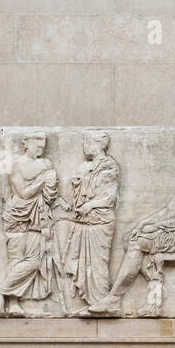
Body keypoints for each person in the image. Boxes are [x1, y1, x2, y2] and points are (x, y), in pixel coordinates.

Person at [87, 136, 175, 316]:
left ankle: (114, 298)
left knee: (138, 242)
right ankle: (154, 296)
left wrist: (159, 228)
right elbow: (169, 209)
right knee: (130, 237)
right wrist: (144, 223)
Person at [0, 132, 62, 316]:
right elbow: (23, 192)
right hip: (17, 214)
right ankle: (13, 303)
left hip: (38, 215)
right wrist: (42, 180)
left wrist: (51, 186)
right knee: (17, 258)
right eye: (36, 142)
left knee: (33, 261)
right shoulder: (15, 163)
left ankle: (0, 291)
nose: (41, 146)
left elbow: (48, 195)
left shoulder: (46, 164)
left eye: (43, 143)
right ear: (25, 143)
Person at [60, 132, 121, 313]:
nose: (85, 146)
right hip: (84, 220)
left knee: (98, 264)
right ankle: (90, 302)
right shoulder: (86, 166)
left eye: (88, 142)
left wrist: (90, 205)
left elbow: (110, 198)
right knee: (84, 263)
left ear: (100, 144)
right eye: (84, 142)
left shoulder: (109, 166)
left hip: (100, 221)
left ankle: (103, 301)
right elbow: (75, 191)